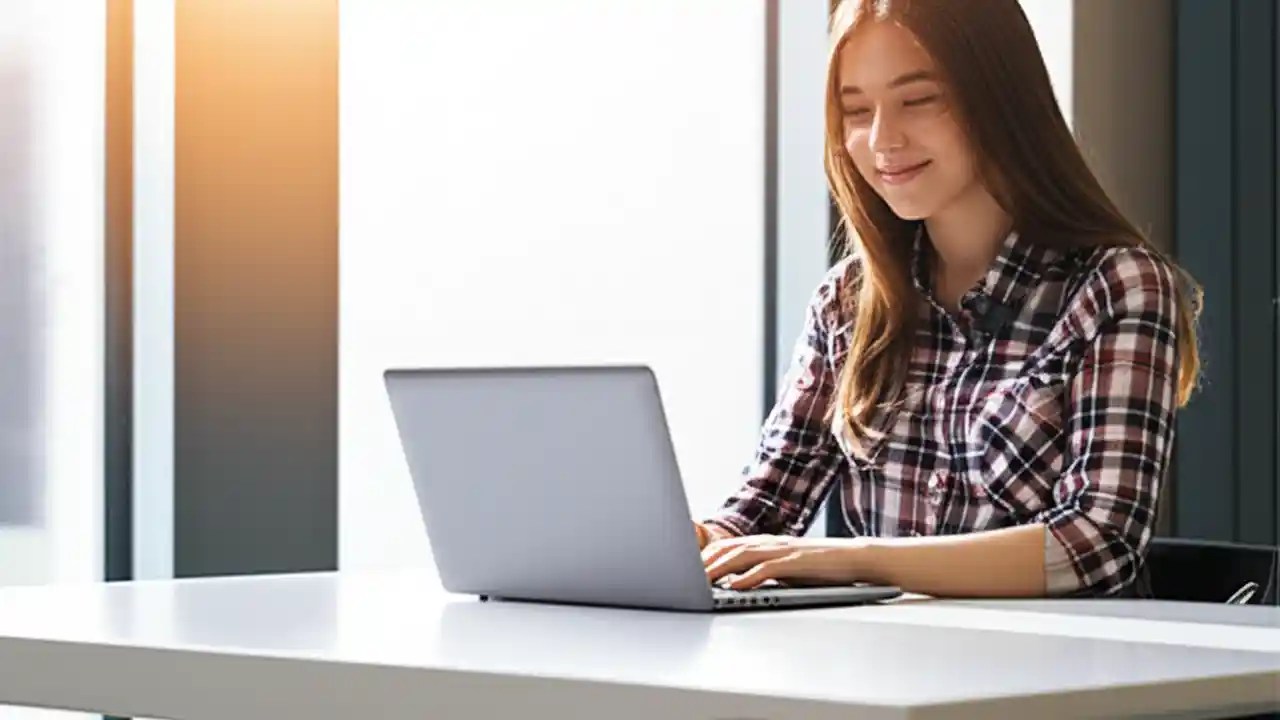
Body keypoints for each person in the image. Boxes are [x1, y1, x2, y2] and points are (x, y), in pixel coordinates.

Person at [697, 0, 1202, 599]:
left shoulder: (1117, 287)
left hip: (1054, 679)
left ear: (999, 97)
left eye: (918, 100)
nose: (882, 139)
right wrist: (688, 543)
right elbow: (764, 511)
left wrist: (858, 560)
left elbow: (1095, 545)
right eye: (856, 111)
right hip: (884, 679)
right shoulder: (847, 301)